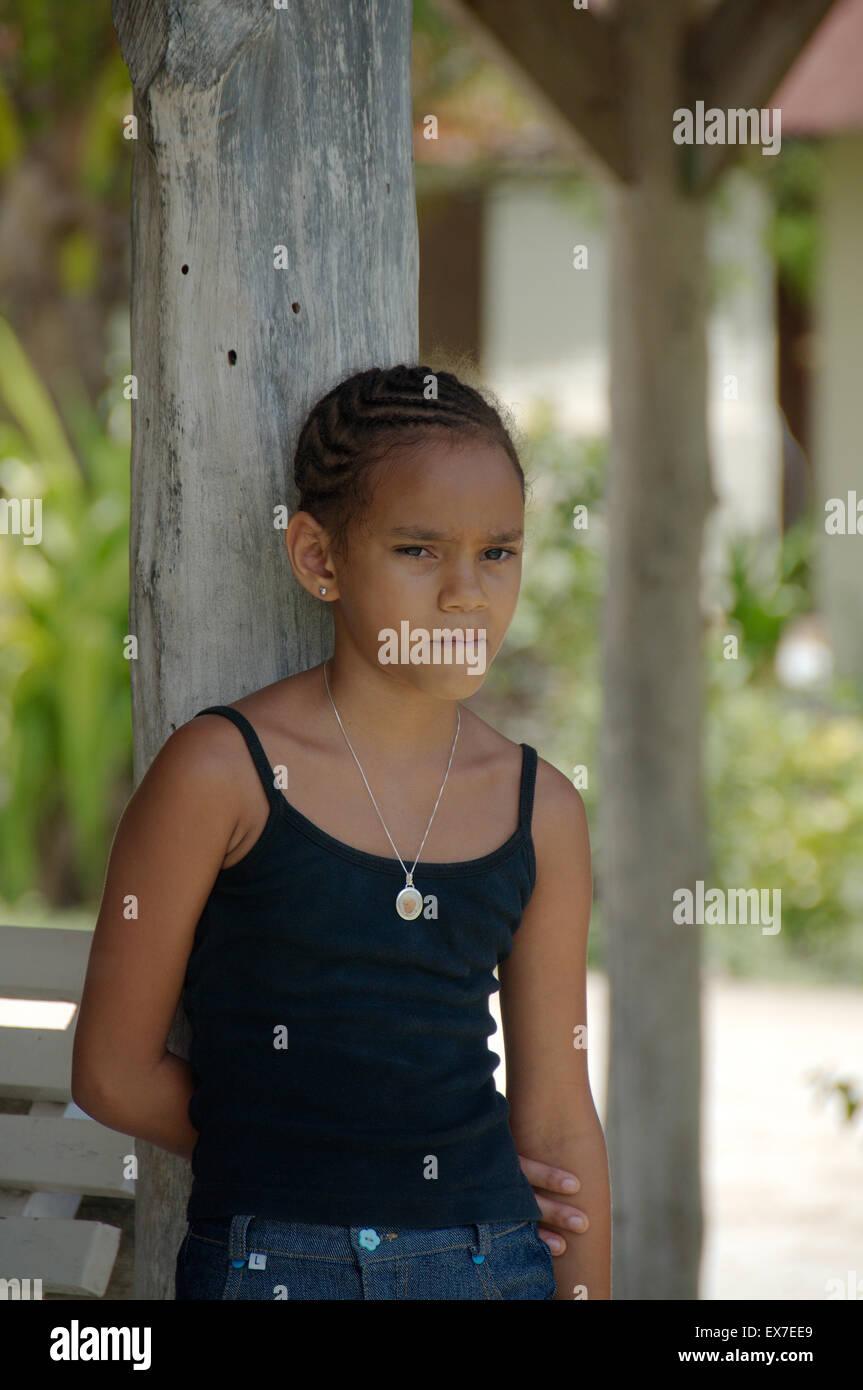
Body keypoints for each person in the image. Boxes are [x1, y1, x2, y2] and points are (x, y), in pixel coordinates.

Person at [72, 363, 611, 1300]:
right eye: (417, 550)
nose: (466, 594)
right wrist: (353, 1155)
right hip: (274, 1270)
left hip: (492, 1264)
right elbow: (112, 1073)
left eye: (499, 552)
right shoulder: (220, 772)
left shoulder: (543, 809)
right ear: (320, 558)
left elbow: (561, 1125)